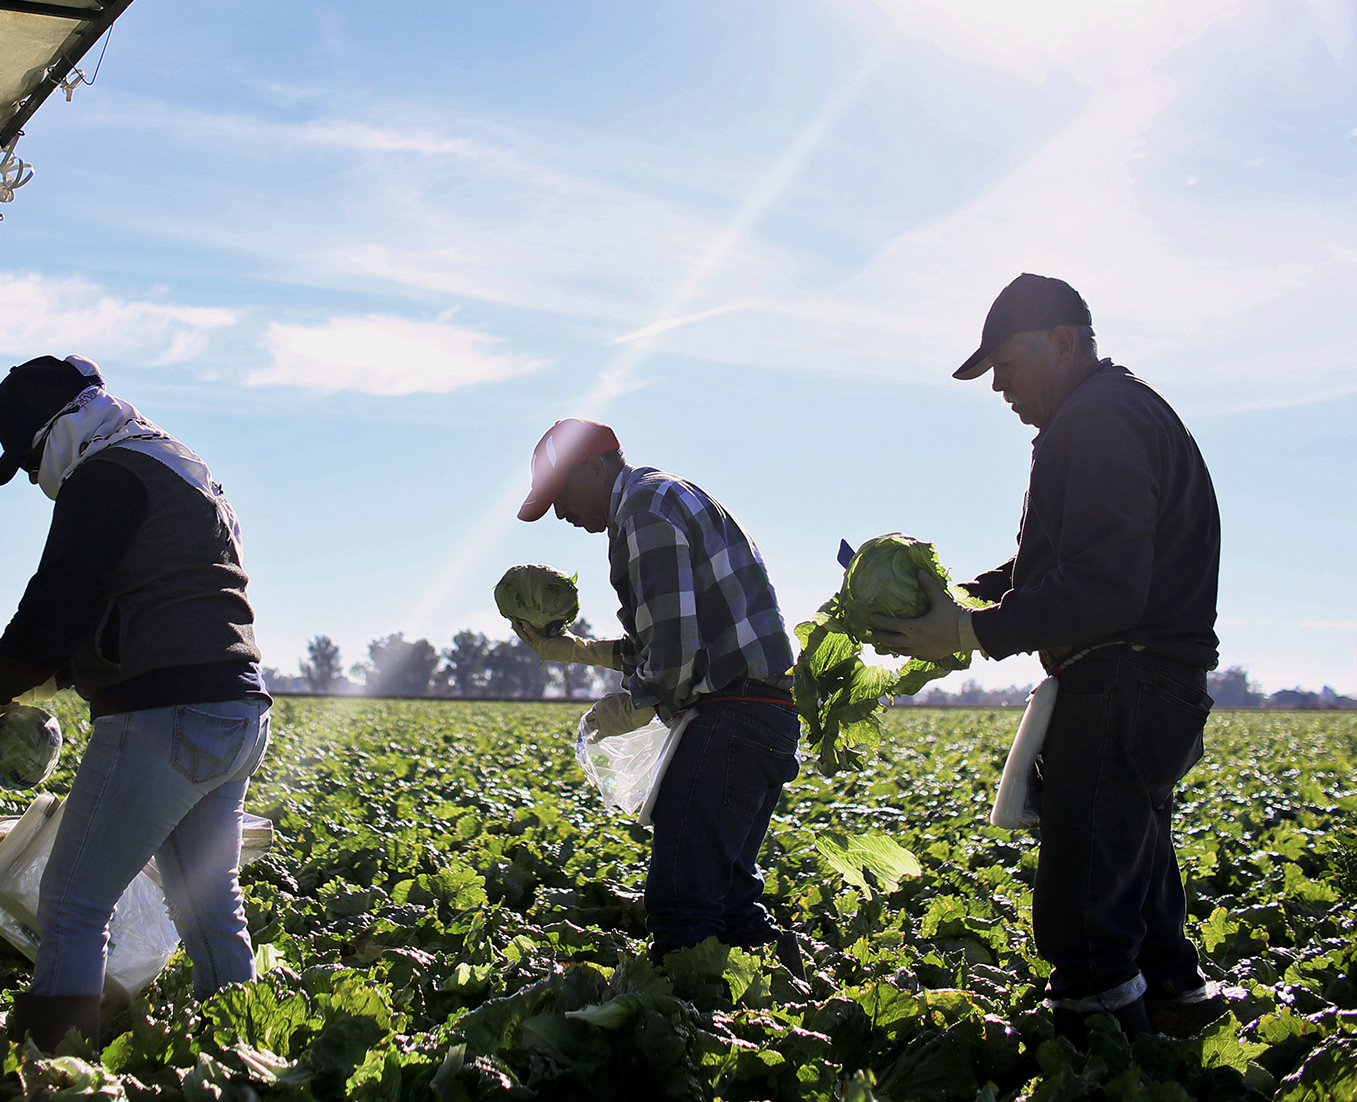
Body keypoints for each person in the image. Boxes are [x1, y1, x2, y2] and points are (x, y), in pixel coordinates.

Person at [874, 274, 1227, 1042]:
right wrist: (960, 598)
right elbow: (1059, 560)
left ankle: (1098, 1056)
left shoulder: (1098, 416)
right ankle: (1175, 1009)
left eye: (1005, 364)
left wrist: (968, 633)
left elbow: (1105, 583)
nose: (997, 386)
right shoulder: (1120, 408)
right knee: (1133, 869)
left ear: (1063, 343)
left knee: (1085, 901)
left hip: (1122, 682)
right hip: (1156, 685)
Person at [0, 355, 269, 1053]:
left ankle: (55, 1072)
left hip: (165, 716)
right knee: (208, 904)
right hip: (237, 709)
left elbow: (51, 614)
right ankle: (243, 1059)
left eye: (29, 460)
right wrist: (45, 678)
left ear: (54, 432)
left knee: (72, 902)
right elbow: (133, 605)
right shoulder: (175, 462)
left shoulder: (104, 475)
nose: (35, 478)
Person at [514, 418, 803, 975]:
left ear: (594, 468)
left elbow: (673, 655)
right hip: (762, 713)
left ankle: (693, 1018)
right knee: (727, 895)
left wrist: (632, 706)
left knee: (681, 904)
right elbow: (671, 639)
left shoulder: (643, 511)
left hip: (729, 718)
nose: (560, 514)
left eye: (560, 497)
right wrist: (575, 651)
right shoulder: (664, 496)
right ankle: (785, 997)